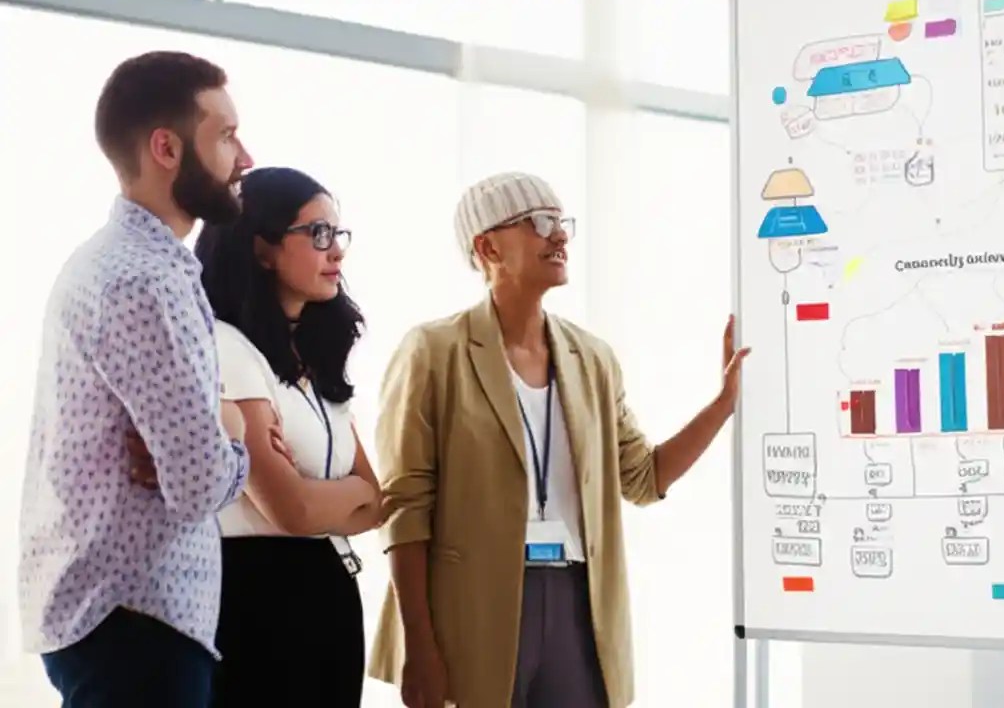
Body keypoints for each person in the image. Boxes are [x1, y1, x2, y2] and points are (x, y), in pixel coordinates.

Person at [365, 171, 749, 708]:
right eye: (539, 223)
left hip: (577, 605)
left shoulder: (592, 358)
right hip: (474, 608)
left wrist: (724, 403)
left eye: (562, 222)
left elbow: (642, 478)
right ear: (488, 246)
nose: (560, 235)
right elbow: (404, 508)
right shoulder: (432, 351)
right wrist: (420, 646)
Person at [16, 51, 259, 707]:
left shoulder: (130, 265)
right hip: (135, 621)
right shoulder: (144, 279)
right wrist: (232, 426)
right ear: (166, 147)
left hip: (124, 619)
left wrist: (211, 433)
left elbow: (184, 468)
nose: (246, 157)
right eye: (227, 135)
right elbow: (200, 483)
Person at [191, 166, 387, 706]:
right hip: (259, 603)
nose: (337, 252)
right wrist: (346, 496)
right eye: (317, 234)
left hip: (329, 596)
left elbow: (377, 501)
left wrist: (338, 496)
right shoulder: (227, 346)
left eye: (338, 234)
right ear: (262, 249)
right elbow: (292, 511)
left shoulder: (317, 360)